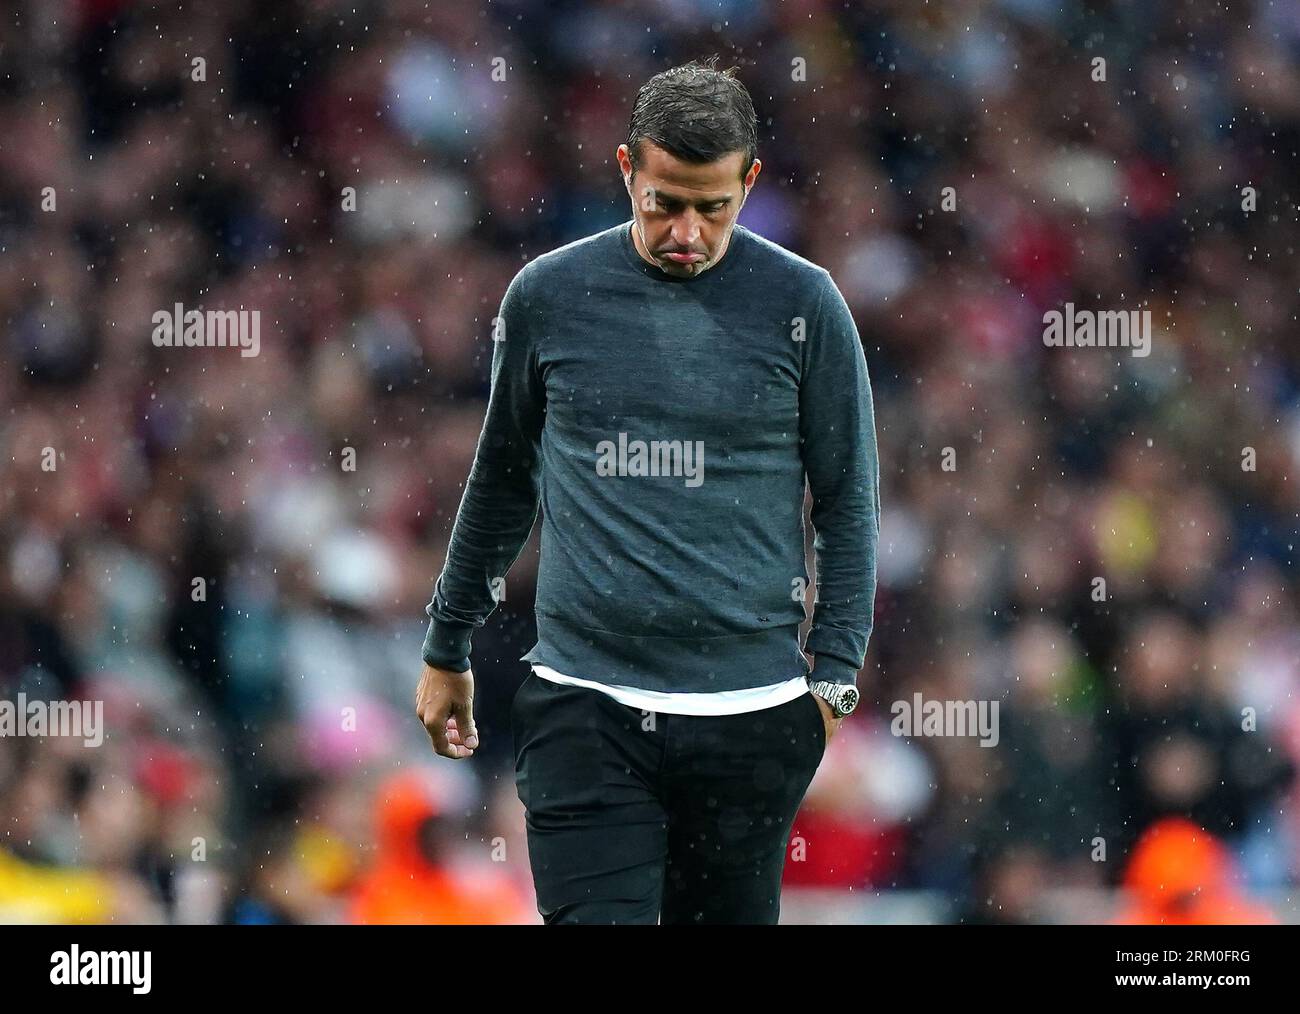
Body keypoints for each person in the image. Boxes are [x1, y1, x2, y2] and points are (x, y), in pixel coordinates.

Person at [414, 56, 880, 924]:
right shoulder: (549, 297)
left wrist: (835, 684)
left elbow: (849, 499)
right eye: (664, 201)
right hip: (584, 712)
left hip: (752, 720)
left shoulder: (806, 304)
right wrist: (448, 646)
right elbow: (504, 476)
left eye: (714, 207)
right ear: (627, 168)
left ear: (750, 182)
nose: (687, 233)